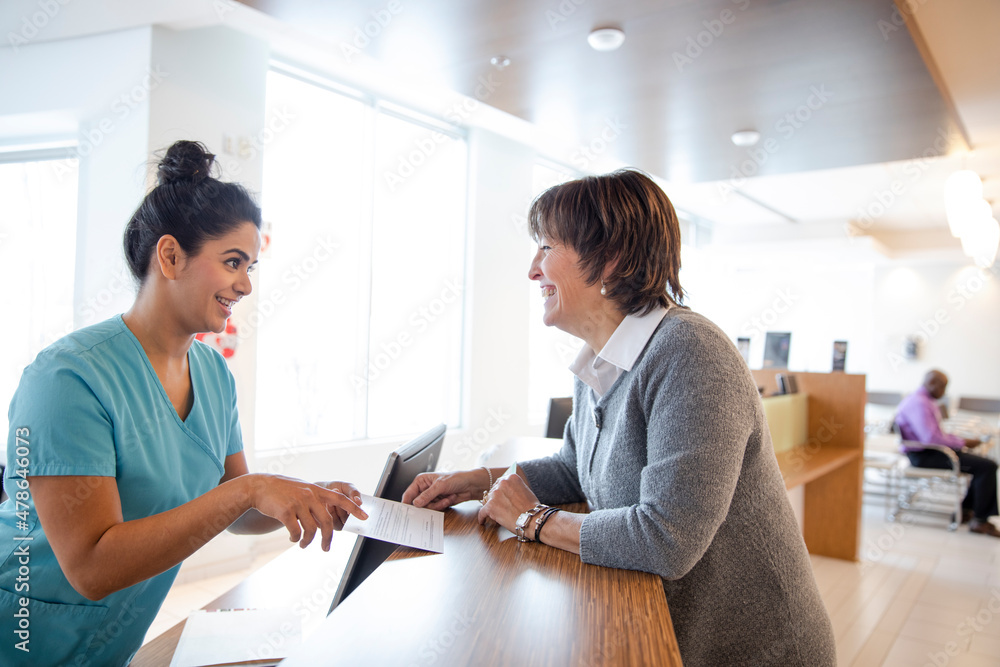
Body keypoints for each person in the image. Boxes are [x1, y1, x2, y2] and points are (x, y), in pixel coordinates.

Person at [403, 169, 836, 665]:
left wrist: (530, 519)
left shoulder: (691, 353)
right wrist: (476, 481)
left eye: (546, 248)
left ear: (610, 260)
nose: (532, 269)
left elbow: (666, 539)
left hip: (755, 651)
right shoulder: (600, 357)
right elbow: (574, 467)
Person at [0, 140, 368, 666]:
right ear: (170, 256)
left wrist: (306, 496)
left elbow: (237, 509)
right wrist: (250, 489)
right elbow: (91, 567)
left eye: (251, 268)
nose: (244, 285)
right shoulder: (67, 377)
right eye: (233, 262)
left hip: (112, 646)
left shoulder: (213, 374)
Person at [896, 369, 1000, 537]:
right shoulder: (919, 403)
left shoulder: (924, 400)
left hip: (933, 452)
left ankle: (968, 511)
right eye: (943, 387)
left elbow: (938, 435)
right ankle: (979, 520)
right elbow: (931, 439)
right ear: (931, 384)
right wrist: (962, 443)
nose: (945, 391)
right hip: (926, 456)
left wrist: (959, 440)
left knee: (982, 465)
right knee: (987, 466)